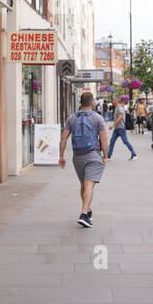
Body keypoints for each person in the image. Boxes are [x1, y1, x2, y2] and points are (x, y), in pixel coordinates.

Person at [59, 92, 108, 228]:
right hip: (93, 155)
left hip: (78, 156)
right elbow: (104, 139)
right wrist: (105, 156)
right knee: (89, 185)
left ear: (80, 103)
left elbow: (63, 138)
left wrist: (62, 156)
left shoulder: (71, 118)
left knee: (84, 185)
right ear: (92, 102)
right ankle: (84, 213)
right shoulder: (98, 118)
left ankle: (88, 210)